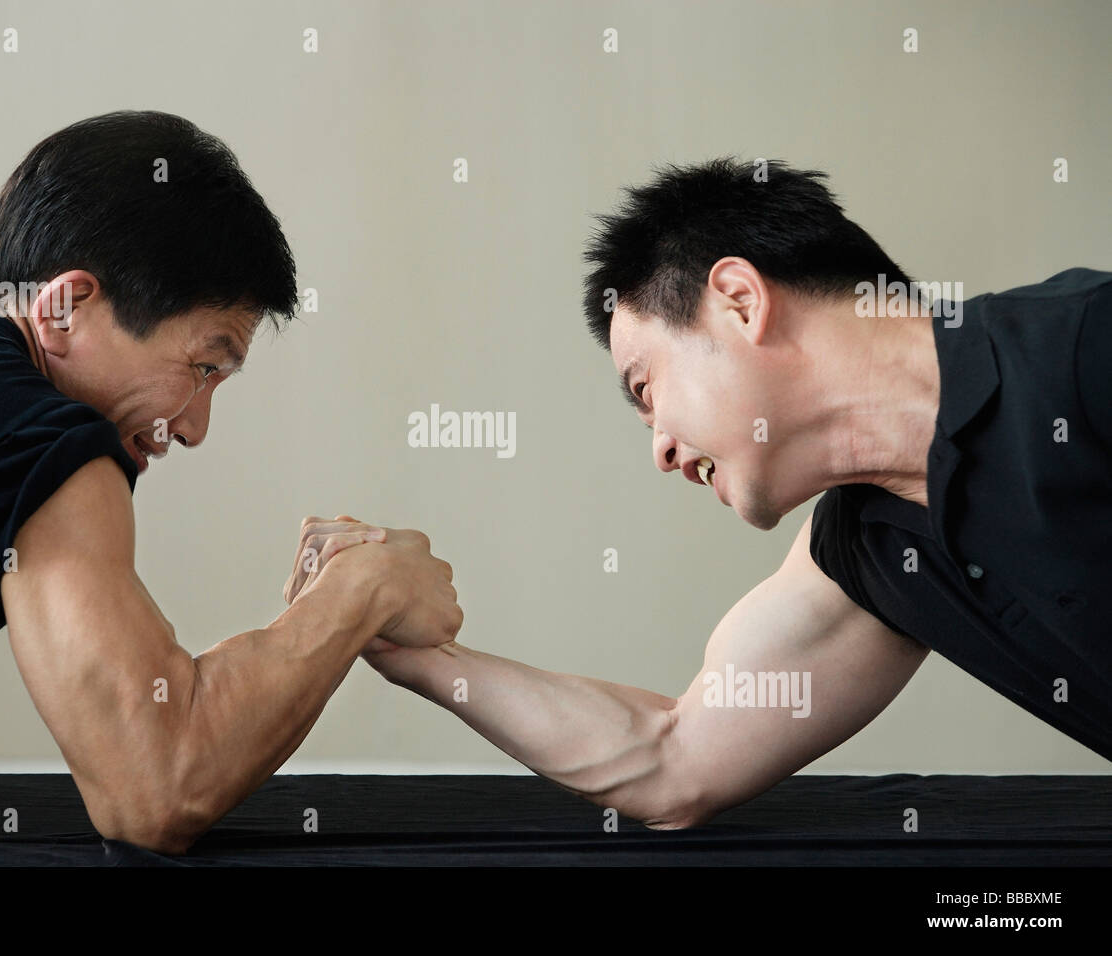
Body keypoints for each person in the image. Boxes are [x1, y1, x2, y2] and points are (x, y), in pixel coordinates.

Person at [298, 158, 1112, 828]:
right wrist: (409, 652)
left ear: (739, 301)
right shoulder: (867, 554)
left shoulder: (1086, 350)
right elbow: (672, 757)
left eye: (645, 387)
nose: (659, 450)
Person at [0, 110, 462, 854]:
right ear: (65, 309)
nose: (194, 428)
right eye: (203, 367)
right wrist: (365, 586)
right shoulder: (34, 429)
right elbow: (156, 784)